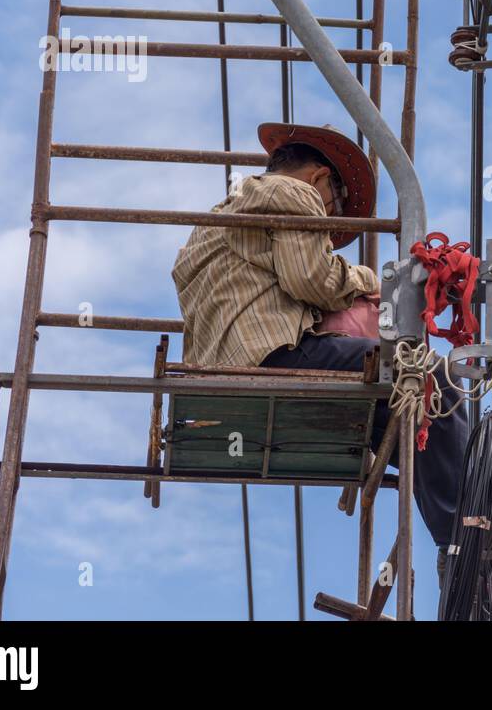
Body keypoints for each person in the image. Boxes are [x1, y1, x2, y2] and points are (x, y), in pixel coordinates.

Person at [171, 122, 467, 580]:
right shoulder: (291, 193)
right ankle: (464, 537)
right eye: (338, 204)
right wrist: (374, 280)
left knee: (402, 421)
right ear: (318, 179)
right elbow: (312, 280)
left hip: (222, 373)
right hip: (274, 358)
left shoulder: (206, 229)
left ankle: (460, 532)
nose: (331, 225)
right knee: (433, 380)